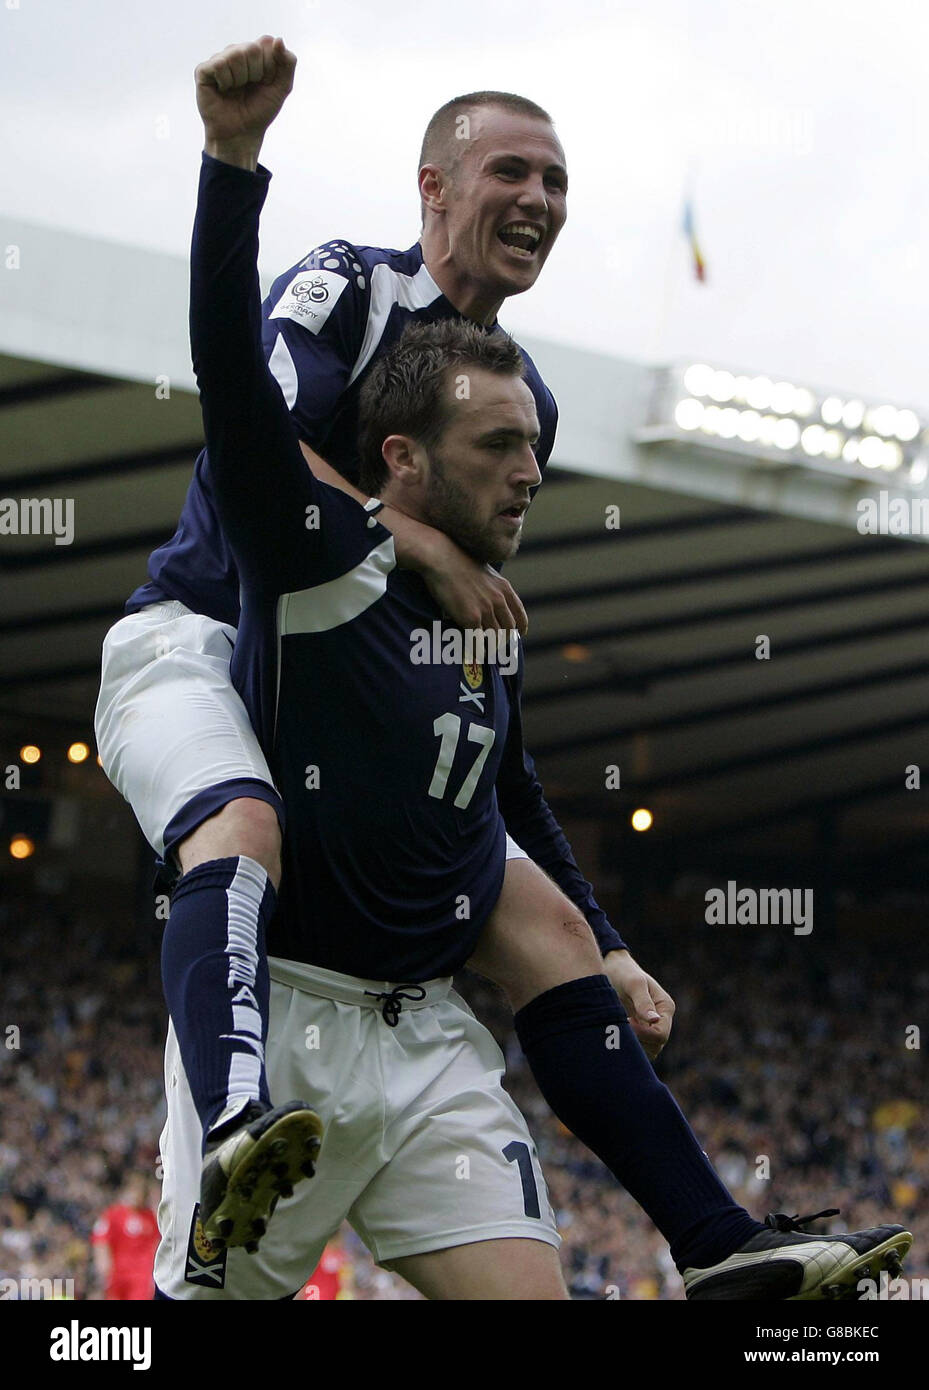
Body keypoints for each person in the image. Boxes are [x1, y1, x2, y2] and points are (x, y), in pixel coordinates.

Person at [153, 37, 911, 1301]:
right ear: (431, 188)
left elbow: (499, 758)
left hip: (412, 968)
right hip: (197, 628)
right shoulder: (345, 286)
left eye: (559, 181)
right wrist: (233, 164)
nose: (542, 200)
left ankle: (717, 1239)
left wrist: (606, 939)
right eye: (511, 168)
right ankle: (238, 1108)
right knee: (234, 821)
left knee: (545, 917)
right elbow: (253, 444)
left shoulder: (515, 433)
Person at [91, 1173, 160, 1301]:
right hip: (117, 1275)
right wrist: (103, 1269)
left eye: (141, 1190)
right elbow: (101, 1241)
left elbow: (156, 1245)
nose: (137, 1194)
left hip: (141, 1276)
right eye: (134, 1189)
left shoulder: (151, 1218)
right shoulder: (113, 1214)